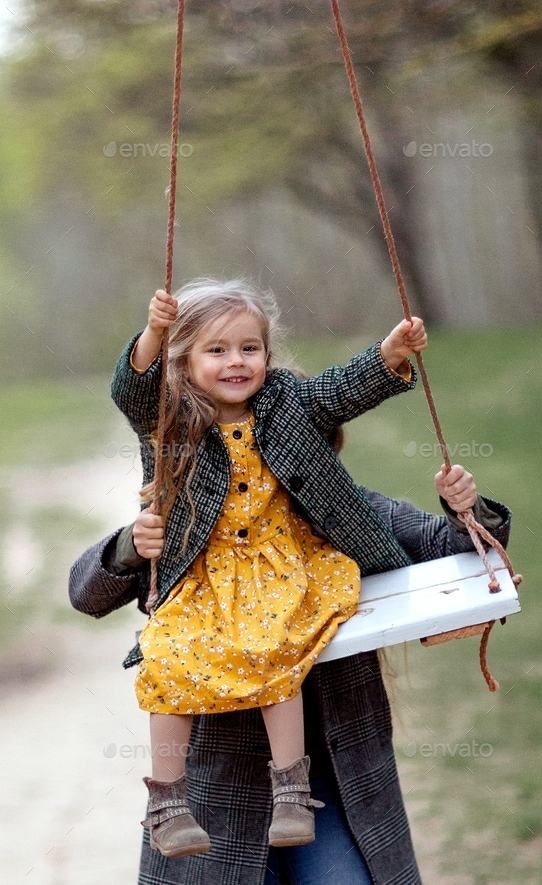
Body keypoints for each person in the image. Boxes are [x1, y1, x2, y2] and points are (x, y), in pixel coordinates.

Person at [106, 277, 428, 858]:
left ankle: (291, 790)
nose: (236, 362)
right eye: (217, 350)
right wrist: (154, 332)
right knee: (168, 652)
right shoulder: (173, 419)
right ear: (184, 361)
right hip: (207, 575)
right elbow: (133, 391)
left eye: (249, 348)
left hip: (281, 568)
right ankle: (168, 801)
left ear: (267, 355)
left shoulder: (286, 401)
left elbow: (341, 389)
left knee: (276, 640)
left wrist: (390, 355)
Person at [69, 474, 510, 885]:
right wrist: (131, 543)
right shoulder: (191, 517)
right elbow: (85, 593)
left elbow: (451, 544)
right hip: (218, 796)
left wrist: (464, 507)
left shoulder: (340, 506)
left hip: (331, 783)